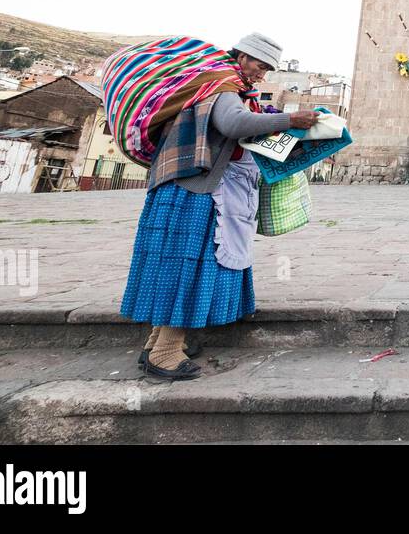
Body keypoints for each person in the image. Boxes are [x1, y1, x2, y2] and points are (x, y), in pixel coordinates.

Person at [119, 33, 319, 381]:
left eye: (268, 69)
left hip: (188, 187)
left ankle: (156, 344)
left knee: (175, 264)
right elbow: (233, 124)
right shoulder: (223, 84)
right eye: (259, 65)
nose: (261, 74)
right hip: (198, 192)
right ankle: (166, 351)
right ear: (241, 57)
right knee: (191, 267)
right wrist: (290, 120)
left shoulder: (224, 86)